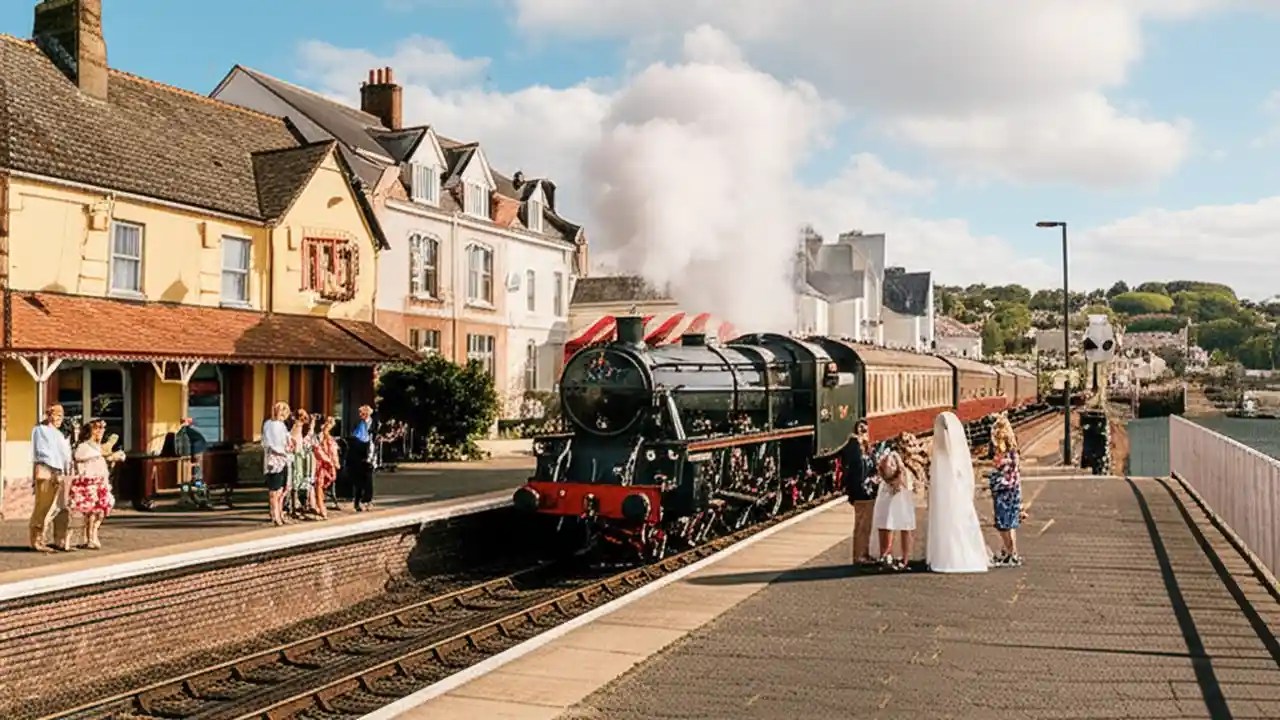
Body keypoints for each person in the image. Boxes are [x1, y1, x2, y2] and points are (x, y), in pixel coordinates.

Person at [925, 411, 990, 573]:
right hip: (958, 496)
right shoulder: (956, 455)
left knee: (946, 522)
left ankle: (944, 554)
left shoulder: (938, 456)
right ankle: (958, 554)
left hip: (944, 500)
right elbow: (964, 475)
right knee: (960, 524)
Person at [69, 419, 124, 550]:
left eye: (102, 428)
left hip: (101, 481)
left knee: (102, 509)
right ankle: (90, 537)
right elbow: (79, 456)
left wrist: (113, 457)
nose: (100, 431)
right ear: (90, 431)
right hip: (89, 481)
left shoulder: (99, 447)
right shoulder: (84, 446)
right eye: (97, 428)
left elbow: (103, 456)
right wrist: (106, 454)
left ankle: (93, 534)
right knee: (92, 511)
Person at [870, 433, 919, 571]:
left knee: (890, 522)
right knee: (896, 523)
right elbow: (887, 471)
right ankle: (900, 558)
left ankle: (888, 556)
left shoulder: (893, 456)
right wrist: (896, 481)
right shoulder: (894, 457)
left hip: (898, 491)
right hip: (899, 491)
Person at [29, 404, 73, 552]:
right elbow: (42, 453)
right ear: (49, 415)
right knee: (44, 507)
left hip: (60, 472)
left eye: (61, 415)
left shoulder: (60, 434)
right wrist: (54, 471)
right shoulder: (40, 430)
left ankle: (60, 540)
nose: (60, 418)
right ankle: (38, 540)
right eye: (57, 415)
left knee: (61, 507)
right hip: (47, 470)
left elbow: (65, 454)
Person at [988, 414, 1024, 566]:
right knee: (1011, 523)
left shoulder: (1002, 455)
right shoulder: (1014, 452)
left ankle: (1011, 554)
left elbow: (999, 469)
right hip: (1013, 490)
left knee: (1003, 524)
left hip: (1003, 491)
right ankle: (1010, 552)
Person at [841, 420, 878, 565]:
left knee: (867, 524)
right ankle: (859, 555)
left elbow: (872, 465)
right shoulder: (854, 446)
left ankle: (864, 552)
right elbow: (853, 469)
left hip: (869, 489)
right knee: (861, 525)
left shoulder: (867, 447)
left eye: (865, 429)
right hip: (859, 490)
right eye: (861, 429)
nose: (864, 431)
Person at [262, 401, 291, 526]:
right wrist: (283, 451)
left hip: (284, 460)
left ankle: (280, 512)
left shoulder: (282, 425)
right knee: (274, 490)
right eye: (281, 410)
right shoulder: (270, 424)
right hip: (274, 460)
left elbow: (286, 439)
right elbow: (269, 442)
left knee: (281, 489)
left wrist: (290, 445)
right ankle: (275, 515)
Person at [311, 414, 340, 519]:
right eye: (327, 423)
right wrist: (327, 460)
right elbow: (317, 450)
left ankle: (319, 504)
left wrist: (335, 462)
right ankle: (321, 506)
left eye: (331, 424)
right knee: (319, 484)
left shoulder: (330, 438)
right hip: (320, 463)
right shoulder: (318, 437)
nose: (328, 426)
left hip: (329, 464)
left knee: (323, 485)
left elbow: (333, 451)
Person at [348, 405, 376, 511]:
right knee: (358, 479)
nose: (360, 415)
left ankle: (367, 500)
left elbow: (375, 437)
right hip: (358, 453)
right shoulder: (358, 423)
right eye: (360, 413)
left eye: (362, 413)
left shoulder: (374, 423)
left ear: (368, 414)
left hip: (370, 453)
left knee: (368, 478)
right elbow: (353, 436)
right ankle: (357, 502)